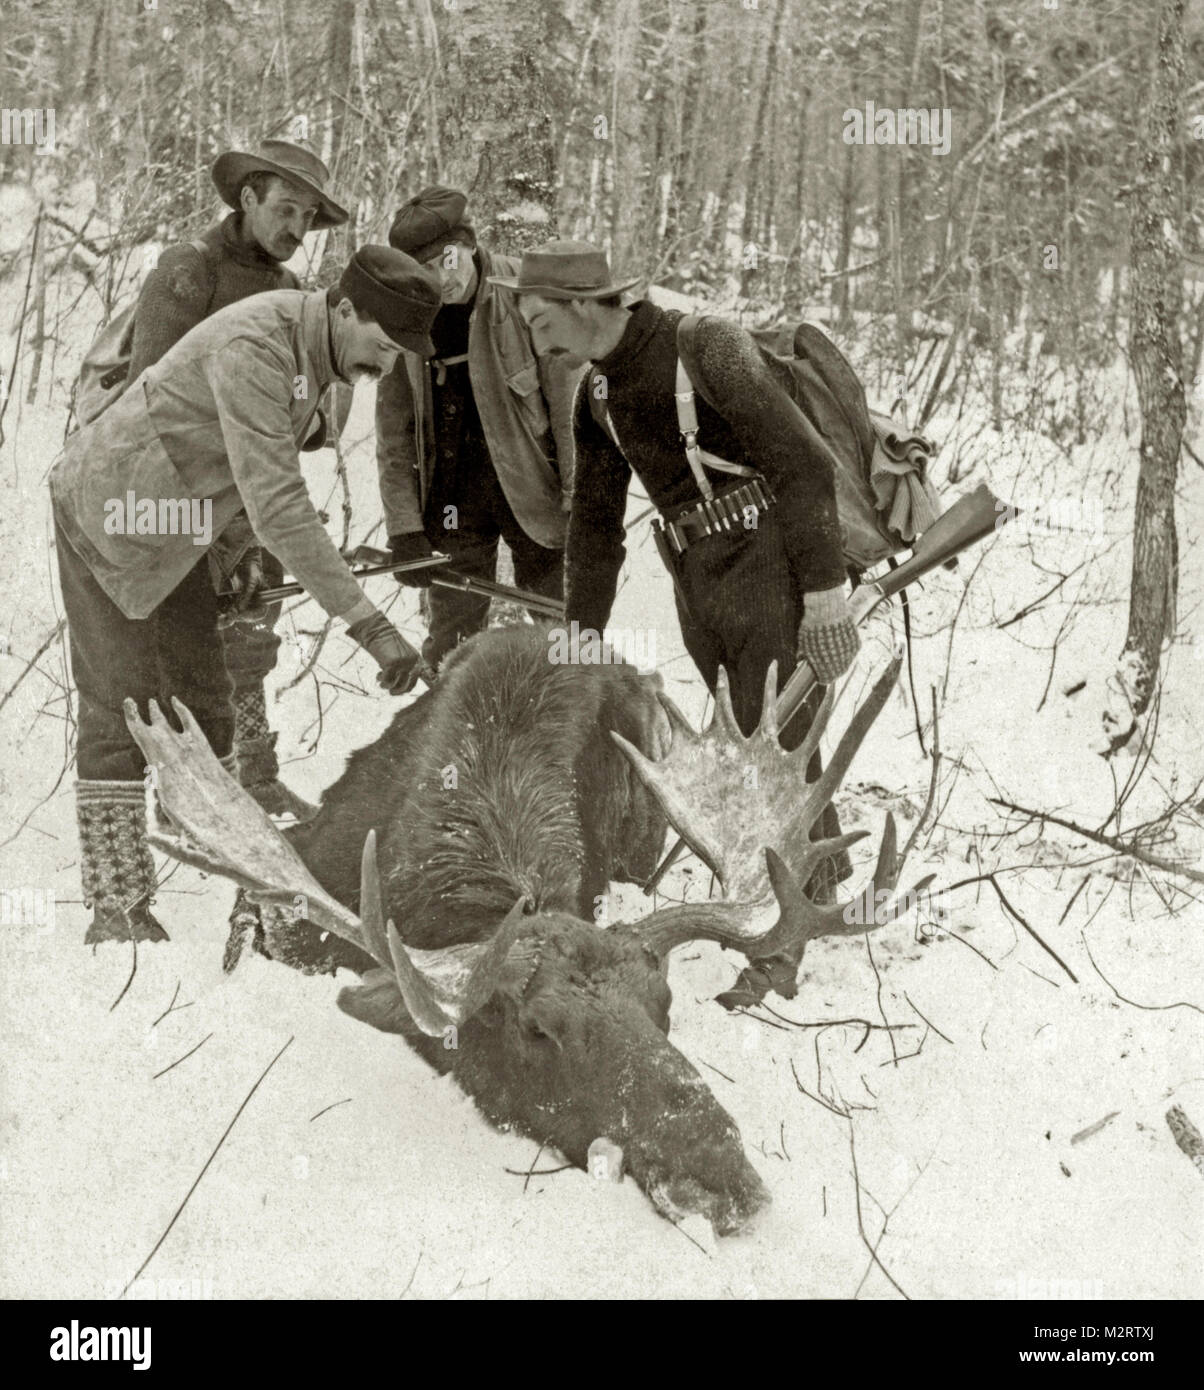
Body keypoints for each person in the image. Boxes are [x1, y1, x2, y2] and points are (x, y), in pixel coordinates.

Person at [494, 240, 861, 1005]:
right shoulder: (595, 393)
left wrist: (825, 593)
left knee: (770, 741)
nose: (539, 339)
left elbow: (805, 464)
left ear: (591, 304)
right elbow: (596, 527)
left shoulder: (706, 347)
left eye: (542, 321)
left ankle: (783, 944)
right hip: (696, 574)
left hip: (769, 559)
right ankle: (820, 893)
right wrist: (580, 637)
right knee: (754, 743)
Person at [51, 246, 441, 944]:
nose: (383, 368)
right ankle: (118, 910)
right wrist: (369, 626)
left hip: (177, 530)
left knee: (205, 701)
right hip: (106, 515)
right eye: (381, 347)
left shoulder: (317, 350)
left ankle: (215, 855)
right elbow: (279, 503)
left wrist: (238, 555)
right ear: (345, 308)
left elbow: (249, 466)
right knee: (124, 709)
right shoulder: (256, 345)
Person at [119, 138, 351, 820]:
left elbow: (291, 413)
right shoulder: (187, 273)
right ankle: (182, 796)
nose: (297, 229)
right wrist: (218, 529)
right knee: (175, 648)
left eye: (308, 217)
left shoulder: (287, 292)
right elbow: (151, 412)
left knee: (251, 637)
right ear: (246, 198)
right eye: (285, 209)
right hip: (166, 498)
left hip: (251, 494)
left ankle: (254, 776)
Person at [375, 187, 581, 670]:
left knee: (569, 633)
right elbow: (393, 432)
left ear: (467, 244)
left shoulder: (526, 293)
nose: (438, 280)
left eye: (445, 261)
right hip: (452, 505)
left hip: (535, 496)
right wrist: (404, 527)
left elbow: (570, 408)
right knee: (451, 647)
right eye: (421, 271)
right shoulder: (408, 320)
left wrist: (580, 495)